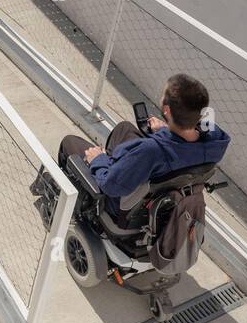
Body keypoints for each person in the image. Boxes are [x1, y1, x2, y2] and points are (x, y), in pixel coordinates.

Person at [59, 74, 231, 221]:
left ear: (166, 110)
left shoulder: (150, 150)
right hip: (164, 195)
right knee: (125, 128)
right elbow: (182, 146)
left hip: (124, 206)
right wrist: (166, 130)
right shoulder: (214, 144)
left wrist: (99, 160)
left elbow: (111, 186)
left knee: (69, 142)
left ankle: (64, 206)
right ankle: (116, 163)